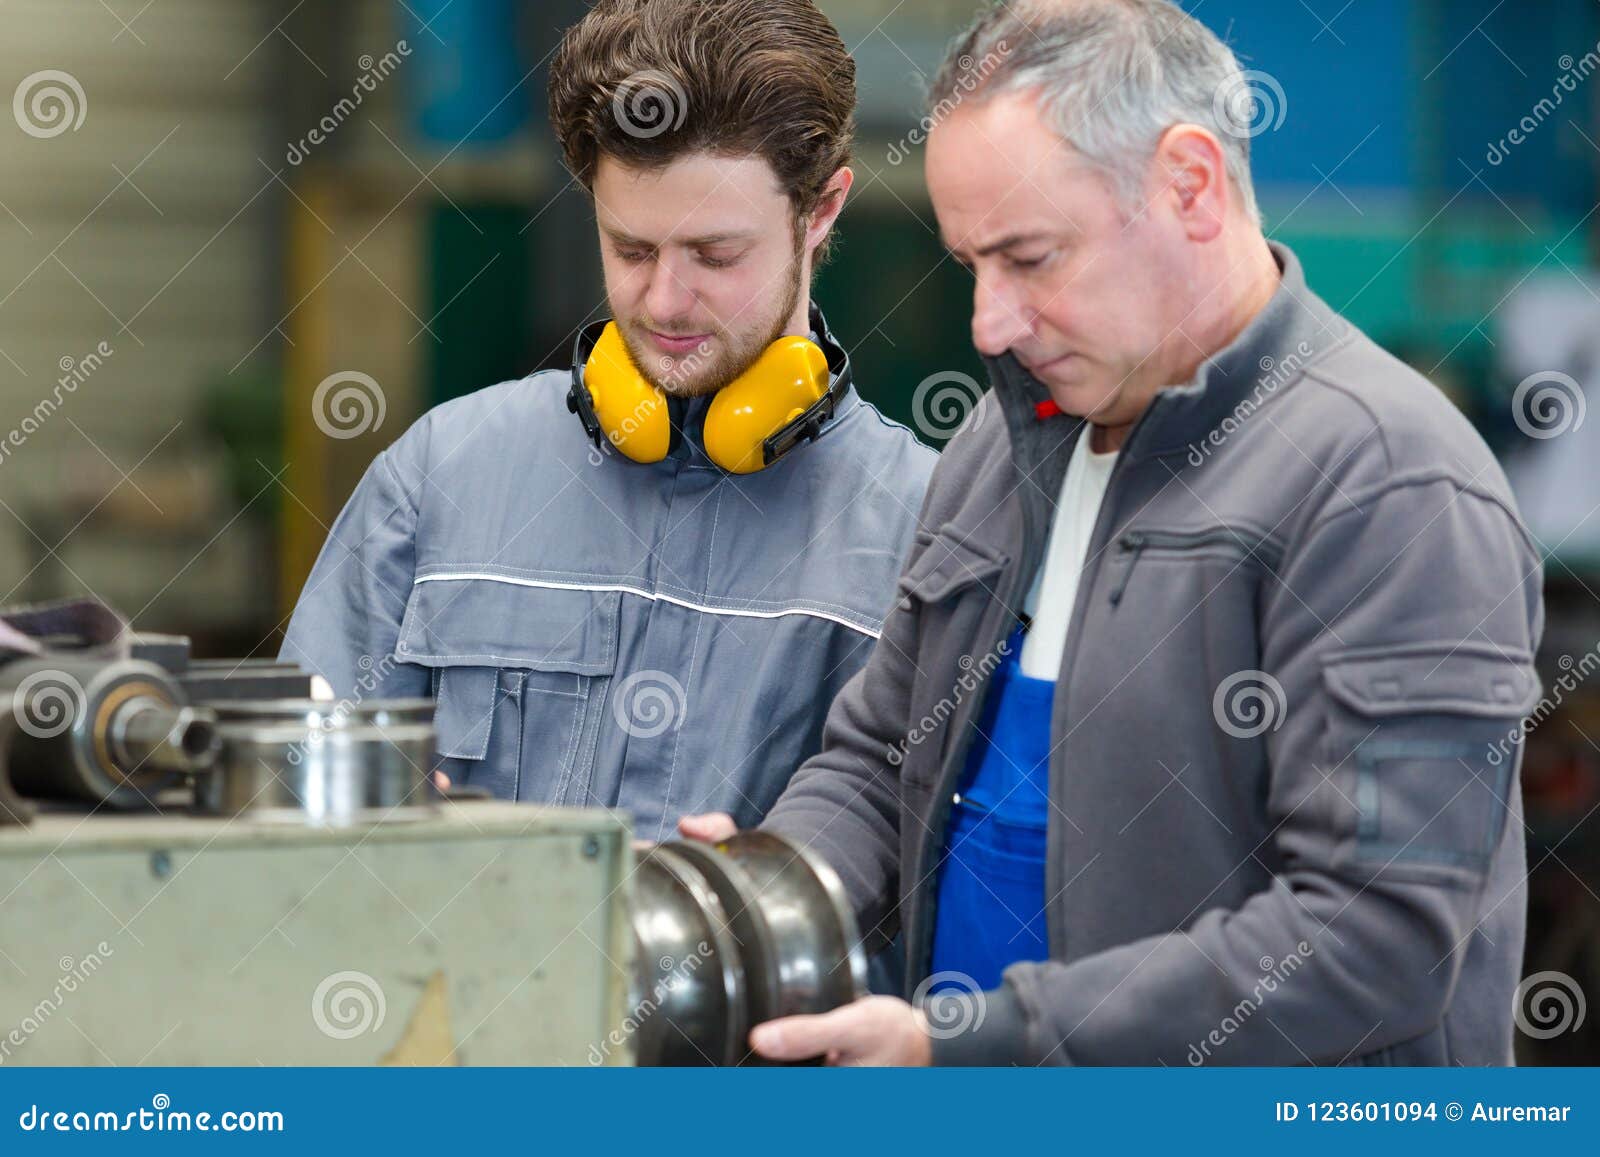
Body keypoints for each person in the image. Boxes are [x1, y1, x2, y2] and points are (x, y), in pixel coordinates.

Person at [682, 0, 1543, 1065]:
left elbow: (1370, 942)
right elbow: (876, 759)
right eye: (971, 267)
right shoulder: (999, 452)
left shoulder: (1386, 484)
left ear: (1188, 184)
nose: (988, 323)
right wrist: (762, 898)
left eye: (1031, 259)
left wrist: (978, 1041)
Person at [282, 0, 935, 841]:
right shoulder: (440, 480)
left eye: (715, 255)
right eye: (630, 249)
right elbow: (290, 821)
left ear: (821, 212)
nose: (663, 301)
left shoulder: (921, 534)